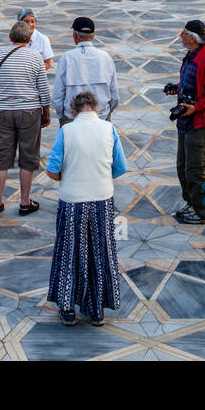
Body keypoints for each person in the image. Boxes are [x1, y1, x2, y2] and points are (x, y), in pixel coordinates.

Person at [46, 91, 128, 327]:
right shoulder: (108, 129)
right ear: (96, 107)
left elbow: (52, 170)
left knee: (69, 254)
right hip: (102, 198)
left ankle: (68, 308)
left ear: (74, 110)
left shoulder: (66, 131)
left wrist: (69, 176)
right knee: (100, 253)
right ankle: (97, 310)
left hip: (72, 199)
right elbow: (120, 167)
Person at [0, 20, 50, 218]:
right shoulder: (36, 57)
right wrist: (46, 112)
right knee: (28, 157)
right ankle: (24, 201)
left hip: (2, 112)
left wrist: (1, 98)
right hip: (30, 112)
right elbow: (44, 91)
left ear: (10, 37)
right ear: (29, 39)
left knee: (2, 157)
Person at [165, 19, 205, 225]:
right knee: (183, 165)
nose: (180, 35)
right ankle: (191, 202)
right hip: (185, 121)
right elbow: (191, 83)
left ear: (191, 37)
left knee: (195, 168)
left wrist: (197, 107)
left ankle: (204, 211)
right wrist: (177, 88)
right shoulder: (191, 56)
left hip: (199, 123)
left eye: (183, 32)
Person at [52, 16, 119, 124]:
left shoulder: (66, 58)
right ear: (93, 35)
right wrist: (106, 113)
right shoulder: (105, 57)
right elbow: (114, 94)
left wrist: (62, 116)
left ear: (74, 35)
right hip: (100, 116)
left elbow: (58, 94)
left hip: (72, 118)